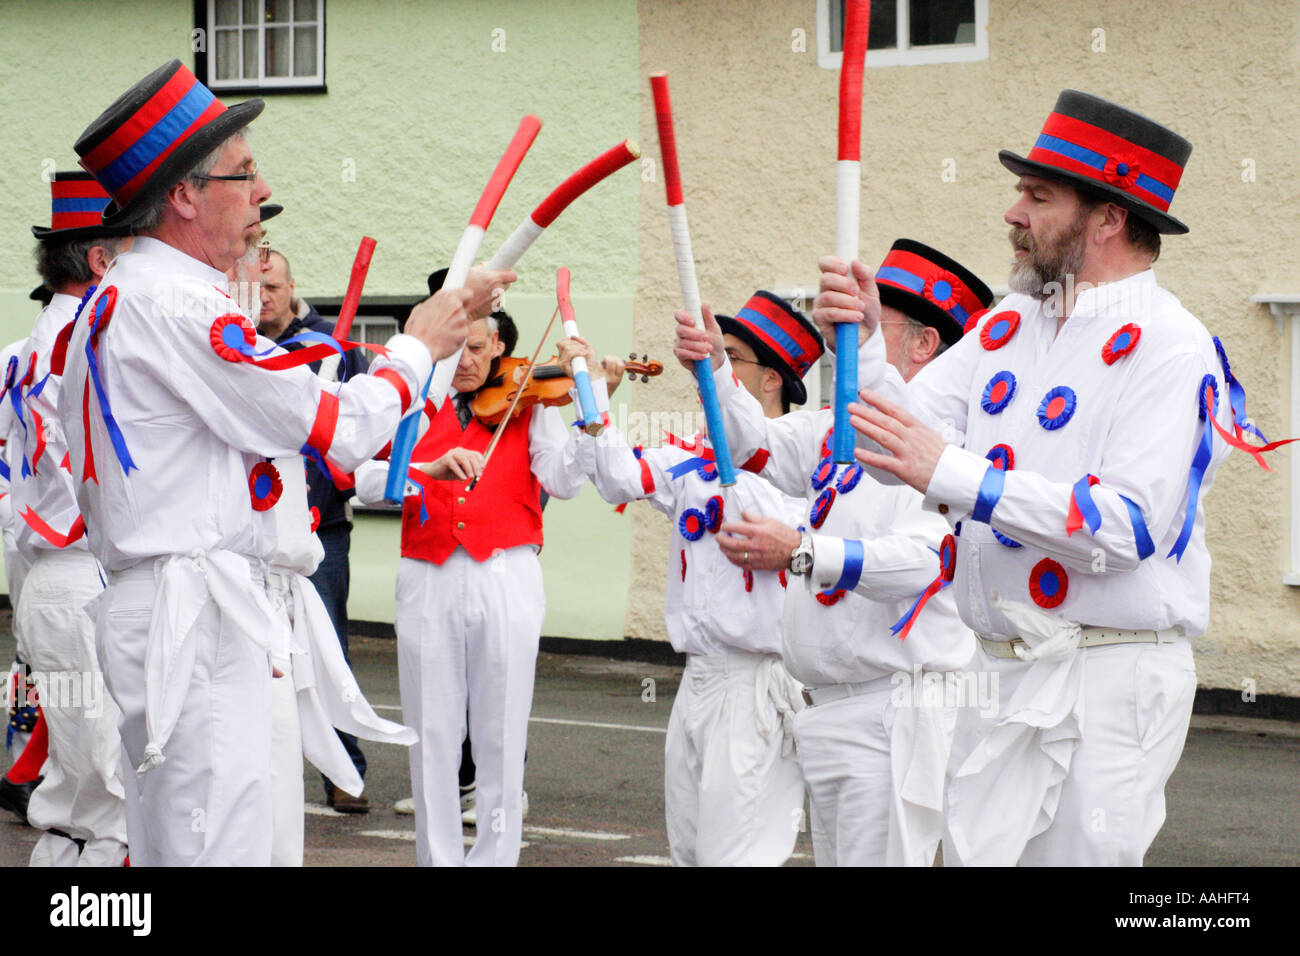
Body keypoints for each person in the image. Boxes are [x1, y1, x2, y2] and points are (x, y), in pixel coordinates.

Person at [59, 59, 510, 865]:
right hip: (197, 616)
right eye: (245, 171)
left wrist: (431, 338)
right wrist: (418, 348)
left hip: (204, 607)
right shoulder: (173, 301)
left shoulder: (139, 297)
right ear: (187, 195)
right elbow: (329, 422)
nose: (263, 189)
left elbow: (286, 408)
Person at [819, 90, 1252, 866]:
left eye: (1038, 196)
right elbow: (887, 443)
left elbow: (1126, 527)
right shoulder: (1008, 324)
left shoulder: (1172, 346)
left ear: (1108, 217)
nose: (1014, 213)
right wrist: (858, 343)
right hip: (1000, 671)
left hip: (1109, 675)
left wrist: (958, 475)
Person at [675, 245, 990, 866]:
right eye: (843, 327)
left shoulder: (953, 445)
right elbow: (751, 446)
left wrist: (802, 551)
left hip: (893, 709)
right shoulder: (837, 426)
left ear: (924, 345)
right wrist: (714, 368)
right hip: (828, 709)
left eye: (870, 326)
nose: (844, 339)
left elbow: (924, 561)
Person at [576, 291, 812, 865]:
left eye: (728, 356)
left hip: (756, 684)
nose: (709, 365)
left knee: (738, 857)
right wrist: (590, 388)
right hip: (696, 682)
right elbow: (615, 476)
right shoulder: (694, 460)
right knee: (688, 851)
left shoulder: (804, 472)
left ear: (772, 379)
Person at [354, 311, 591, 867]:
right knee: (430, 732)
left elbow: (564, 480)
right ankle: (437, 860)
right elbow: (362, 480)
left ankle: (494, 858)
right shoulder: (412, 398)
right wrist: (424, 470)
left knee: (501, 731)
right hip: (427, 571)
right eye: (455, 348)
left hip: (505, 571)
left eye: (477, 349)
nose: (464, 361)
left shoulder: (528, 403)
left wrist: (588, 411)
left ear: (501, 347)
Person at [11, 171, 134, 865]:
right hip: (88, 578)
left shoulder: (27, 346)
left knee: (75, 789)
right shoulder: (90, 341)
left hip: (46, 581)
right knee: (113, 791)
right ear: (99, 261)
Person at [257, 247, 372, 813]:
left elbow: (361, 423)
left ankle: (345, 771)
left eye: (273, 285)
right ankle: (260, 769)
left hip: (322, 524)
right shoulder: (235, 340)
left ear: (292, 285)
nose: (265, 295)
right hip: (255, 529)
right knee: (257, 653)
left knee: (328, 649)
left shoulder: (333, 343)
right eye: (257, 286)